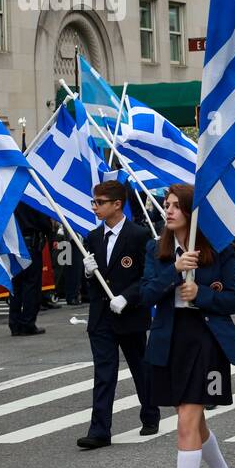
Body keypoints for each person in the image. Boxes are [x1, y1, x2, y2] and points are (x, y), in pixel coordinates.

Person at [140, 184, 235, 468]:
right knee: (193, 419)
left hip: (205, 339)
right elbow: (145, 294)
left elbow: (233, 301)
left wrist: (200, 294)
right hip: (170, 339)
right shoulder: (156, 249)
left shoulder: (220, 250)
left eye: (175, 206)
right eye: (165, 206)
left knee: (187, 418)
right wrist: (174, 272)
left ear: (190, 211)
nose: (167, 211)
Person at [76, 181, 160, 449]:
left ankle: (150, 414)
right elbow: (89, 284)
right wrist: (88, 272)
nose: (95, 207)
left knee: (140, 367)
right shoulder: (92, 237)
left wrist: (127, 296)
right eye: (94, 202)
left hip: (130, 314)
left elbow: (148, 276)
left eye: (100, 202)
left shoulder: (139, 235)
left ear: (117, 204)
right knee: (104, 374)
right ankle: (100, 430)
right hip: (101, 316)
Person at [8, 203, 53, 336]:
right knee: (31, 284)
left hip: (14, 243)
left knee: (16, 285)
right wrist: (49, 232)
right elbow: (44, 222)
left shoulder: (10, 193)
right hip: (30, 243)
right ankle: (27, 323)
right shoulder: (32, 196)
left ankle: (15, 323)